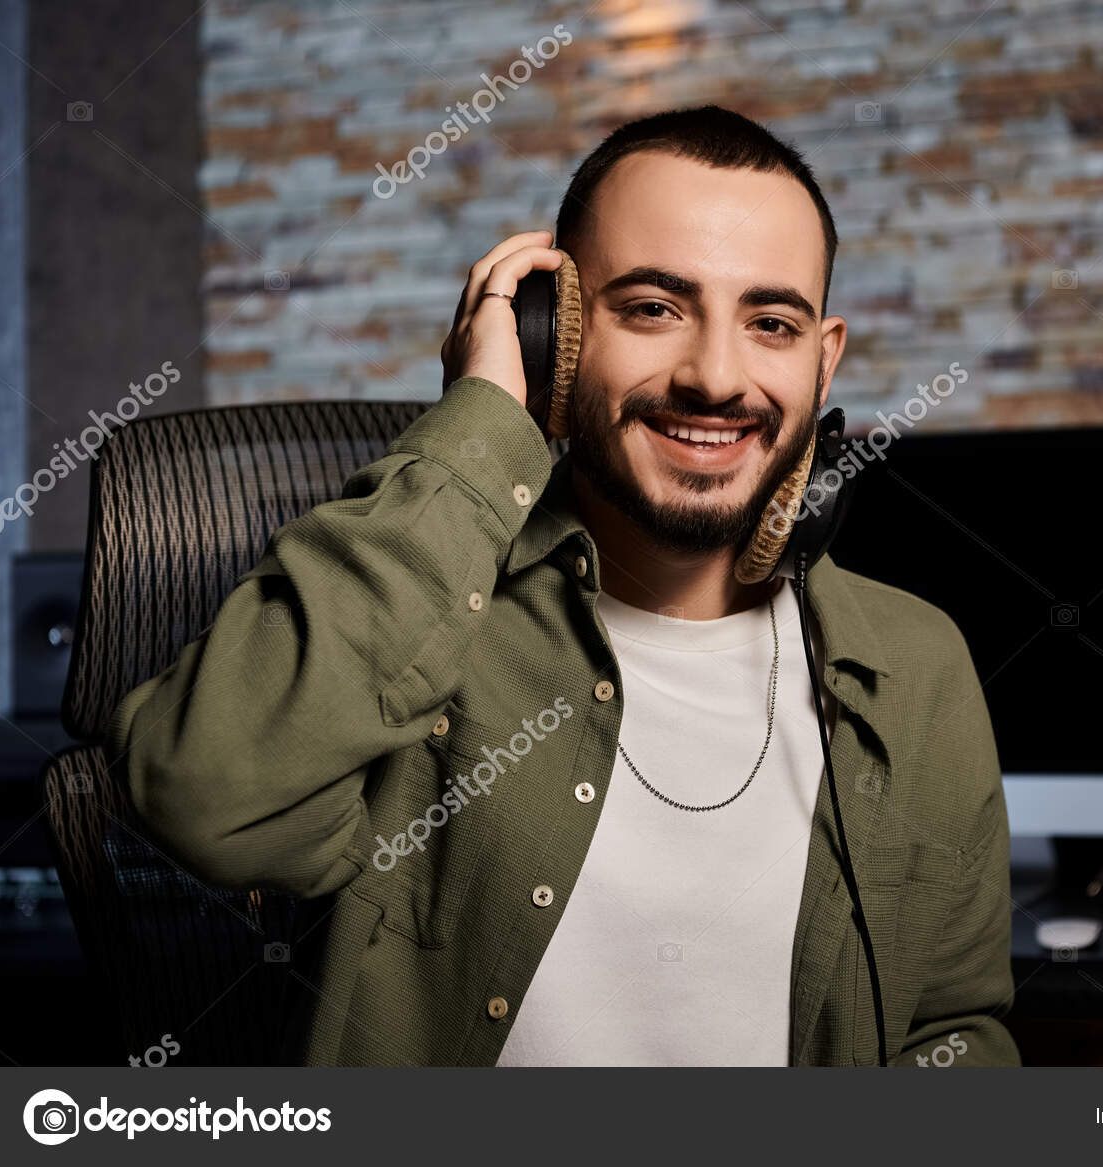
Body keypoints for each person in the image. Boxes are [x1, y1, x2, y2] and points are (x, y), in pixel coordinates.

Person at [110, 105, 1018, 1067]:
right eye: (653, 308)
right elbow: (203, 793)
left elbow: (953, 1024)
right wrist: (487, 418)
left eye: (771, 322)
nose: (716, 376)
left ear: (823, 357)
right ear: (557, 333)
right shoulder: (427, 629)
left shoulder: (915, 664)